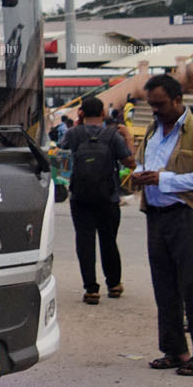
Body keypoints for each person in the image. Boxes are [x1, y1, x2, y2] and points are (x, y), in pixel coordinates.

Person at [126, 74, 193, 376]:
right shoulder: (154, 128)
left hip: (186, 215)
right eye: (152, 105)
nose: (155, 110)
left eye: (160, 104)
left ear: (178, 100)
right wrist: (141, 174)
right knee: (164, 286)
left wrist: (164, 179)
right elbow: (144, 162)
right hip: (156, 214)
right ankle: (175, 350)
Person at [63, 95, 135, 303]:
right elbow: (130, 162)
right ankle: (113, 284)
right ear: (103, 114)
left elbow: (62, 151)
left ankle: (91, 289)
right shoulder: (113, 136)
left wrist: (77, 123)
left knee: (84, 242)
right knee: (108, 240)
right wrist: (128, 138)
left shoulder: (73, 133)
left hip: (80, 197)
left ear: (82, 113)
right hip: (108, 197)